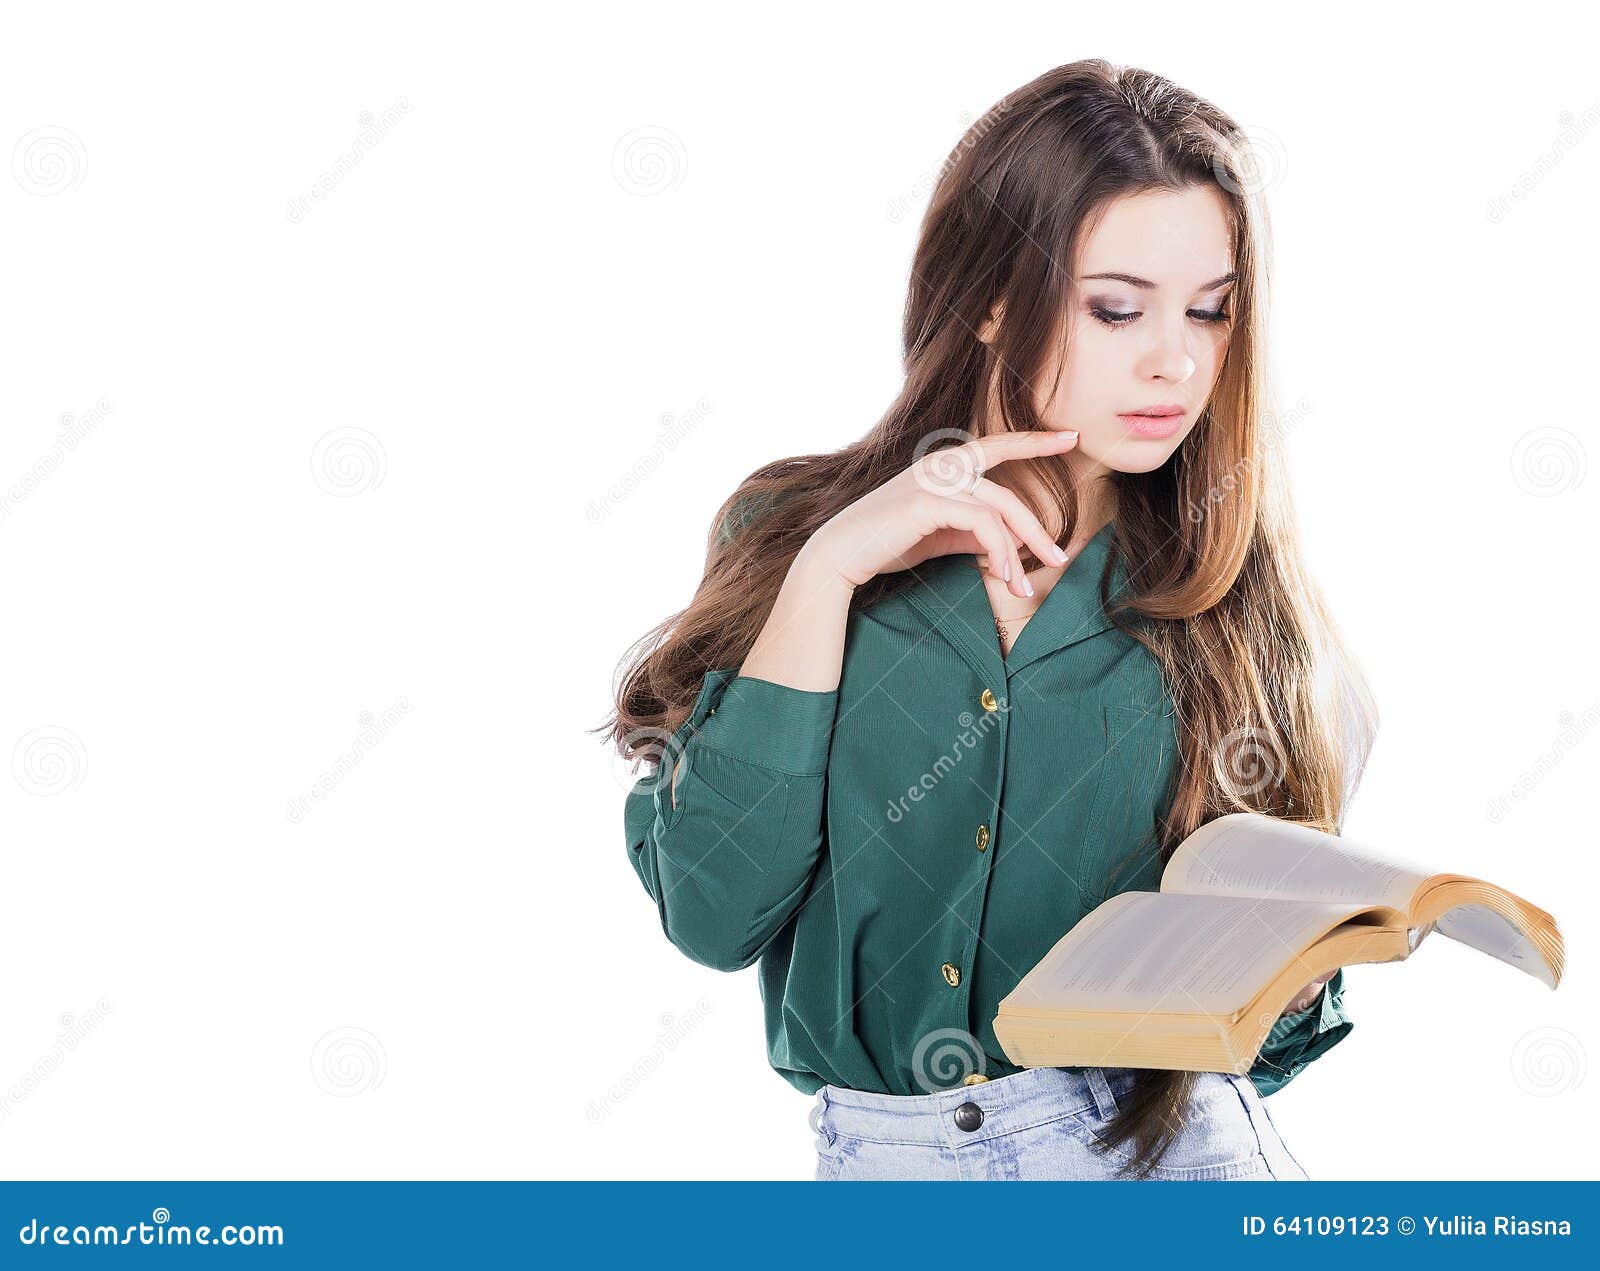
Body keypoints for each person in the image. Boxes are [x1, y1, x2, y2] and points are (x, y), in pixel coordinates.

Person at [605, 57, 1372, 1181]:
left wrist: (1297, 971)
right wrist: (826, 576)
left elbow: (1260, 1044)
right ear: (991, 301)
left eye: (1210, 311)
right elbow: (713, 911)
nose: (1176, 358)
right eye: (1114, 307)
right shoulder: (796, 536)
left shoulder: (1236, 596)